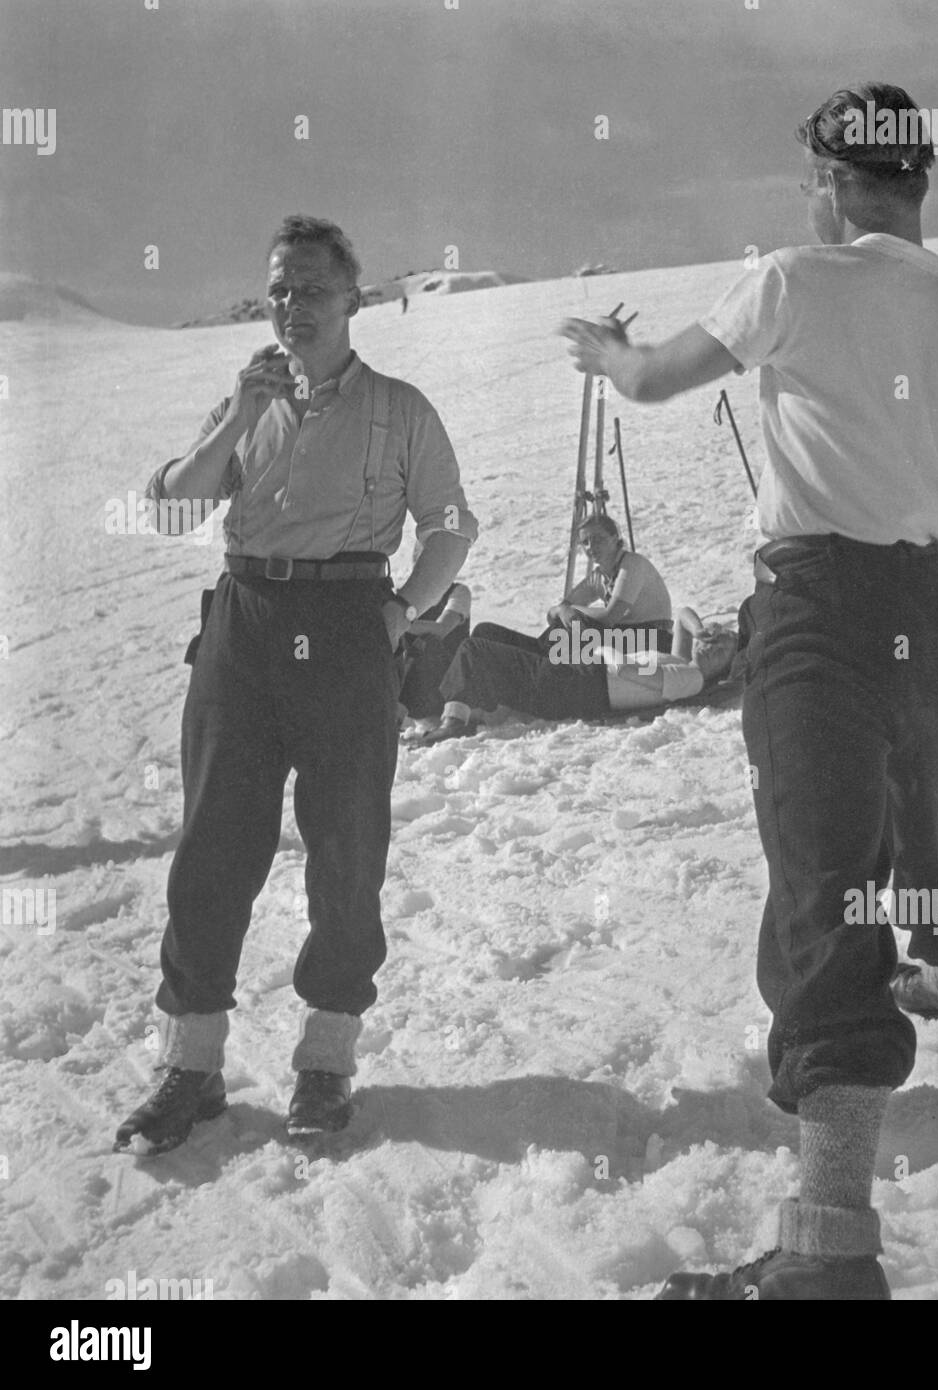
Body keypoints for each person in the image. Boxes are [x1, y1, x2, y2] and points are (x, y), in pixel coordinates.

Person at [560, 83, 938, 1300]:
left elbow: (655, 380)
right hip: (930, 604)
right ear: (914, 183)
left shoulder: (793, 281)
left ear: (831, 180)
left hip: (819, 607)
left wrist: (607, 353)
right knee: (902, 818)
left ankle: (827, 1252)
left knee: (828, 884)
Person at [116, 215, 478, 1154]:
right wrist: (239, 415)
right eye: (279, 289)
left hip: (352, 625)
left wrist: (402, 612)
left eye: (312, 289)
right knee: (211, 848)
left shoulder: (402, 408)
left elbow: (449, 525)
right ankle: (190, 1067)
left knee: (346, 848)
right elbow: (172, 510)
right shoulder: (249, 399)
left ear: (354, 299)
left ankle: (326, 1063)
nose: (292, 306)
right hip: (243, 626)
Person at [414, 608, 737, 743]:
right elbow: (682, 616)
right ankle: (450, 706)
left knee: (477, 650)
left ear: (721, 669)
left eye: (719, 651)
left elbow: (626, 669)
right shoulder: (681, 663)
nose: (708, 648)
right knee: (489, 635)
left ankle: (452, 720)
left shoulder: (690, 679)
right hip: (582, 676)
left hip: (580, 684)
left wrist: (599, 647)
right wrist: (699, 628)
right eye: (710, 642)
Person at [474, 513, 675, 656]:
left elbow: (609, 617)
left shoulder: (632, 565)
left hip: (652, 639)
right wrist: (564, 611)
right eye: (585, 542)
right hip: (626, 638)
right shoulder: (600, 575)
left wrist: (570, 612)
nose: (591, 547)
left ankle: (532, 656)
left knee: (575, 625)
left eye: (598, 539)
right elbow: (558, 610)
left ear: (615, 538)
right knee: (567, 625)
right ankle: (512, 649)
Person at [395, 572, 472, 724]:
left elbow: (441, 629)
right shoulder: (405, 595)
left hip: (442, 682)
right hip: (410, 682)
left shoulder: (459, 592)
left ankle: (396, 715)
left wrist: (397, 622)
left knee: (430, 642)